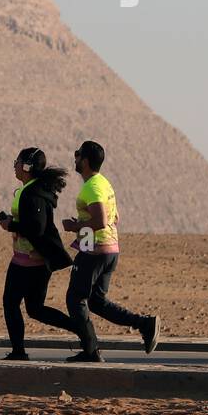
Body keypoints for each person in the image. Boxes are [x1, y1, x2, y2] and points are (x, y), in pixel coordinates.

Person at [60, 140, 160, 362]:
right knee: (96, 302)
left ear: (85, 161)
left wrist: (74, 226)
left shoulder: (92, 187)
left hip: (94, 251)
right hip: (109, 250)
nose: (74, 158)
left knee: (75, 299)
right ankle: (145, 324)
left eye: (77, 155)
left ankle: (90, 351)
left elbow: (102, 220)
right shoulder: (104, 183)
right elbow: (116, 217)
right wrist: (85, 221)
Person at [0, 147, 75, 360]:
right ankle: (80, 329)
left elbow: (36, 228)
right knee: (34, 309)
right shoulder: (33, 189)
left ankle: (18, 351)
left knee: (11, 303)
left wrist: (11, 225)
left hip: (29, 261)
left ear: (27, 166)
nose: (15, 165)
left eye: (18, 161)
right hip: (30, 259)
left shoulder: (33, 193)